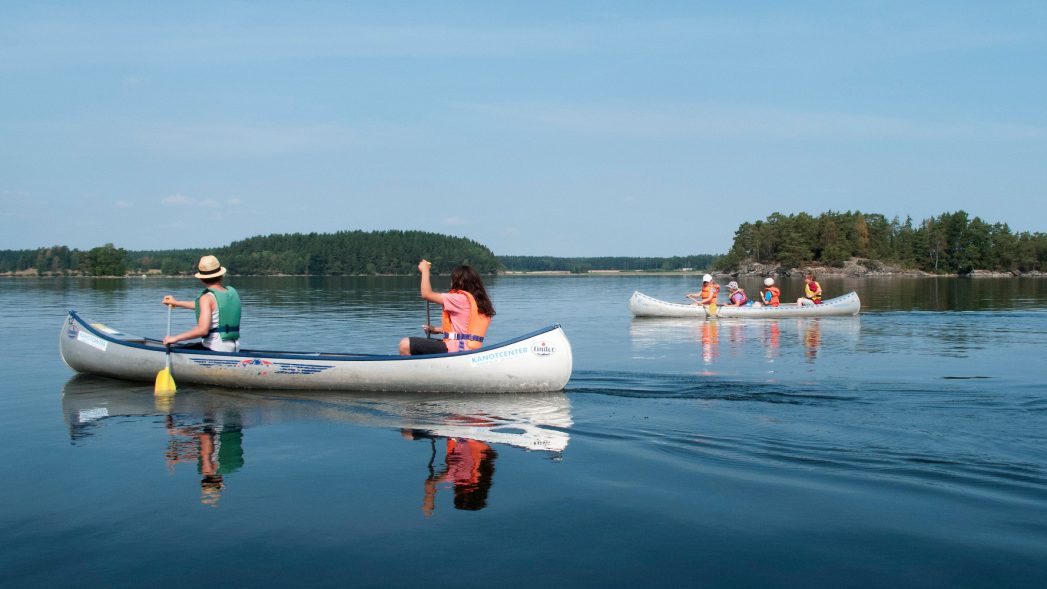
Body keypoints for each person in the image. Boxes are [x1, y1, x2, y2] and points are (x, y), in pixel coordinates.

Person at [399, 259, 496, 356]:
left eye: (452, 279)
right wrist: (436, 330)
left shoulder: (459, 299)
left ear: (460, 282)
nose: (451, 282)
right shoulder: (478, 301)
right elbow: (464, 330)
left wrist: (425, 271)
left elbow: (426, 294)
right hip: (467, 348)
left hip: (458, 348)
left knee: (405, 344)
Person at [161, 255, 242, 352]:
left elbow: (202, 330)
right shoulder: (230, 294)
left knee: (176, 348)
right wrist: (176, 303)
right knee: (190, 345)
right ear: (221, 276)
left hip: (215, 348)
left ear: (201, 279)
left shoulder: (207, 298)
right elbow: (205, 306)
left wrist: (175, 338)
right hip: (234, 347)